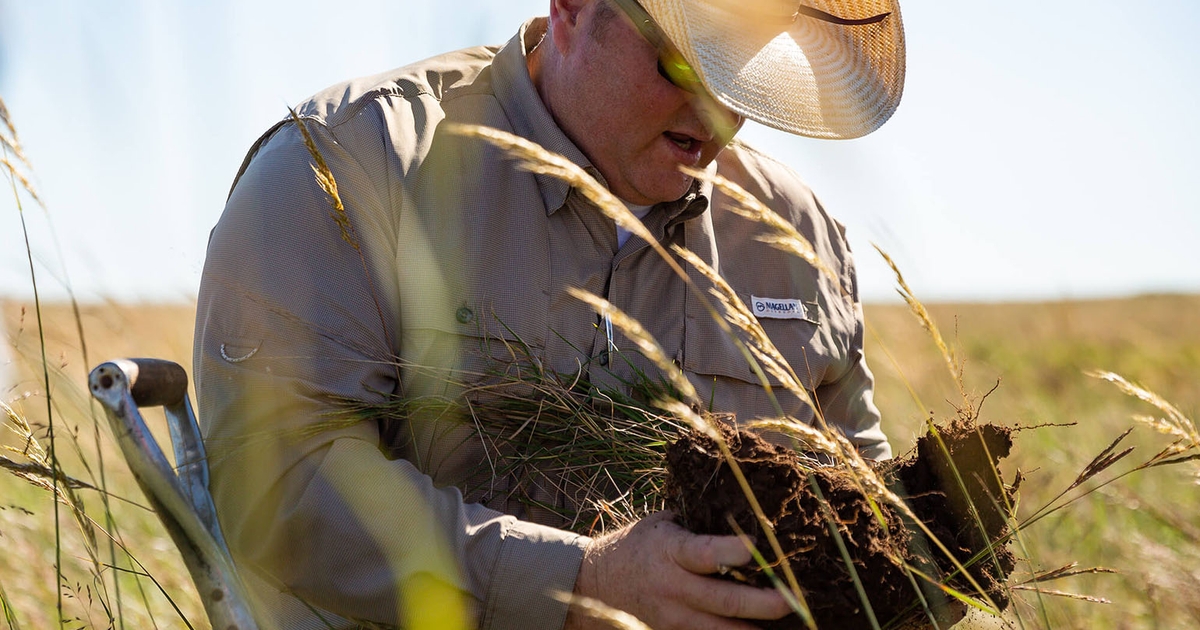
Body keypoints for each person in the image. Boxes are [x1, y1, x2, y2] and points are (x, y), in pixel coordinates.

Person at [194, 0, 904, 628]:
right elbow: (279, 481)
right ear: (571, 9)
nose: (718, 115)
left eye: (742, 80)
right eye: (685, 69)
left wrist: (924, 546)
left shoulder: (796, 235)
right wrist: (580, 583)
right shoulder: (352, 163)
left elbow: (853, 493)